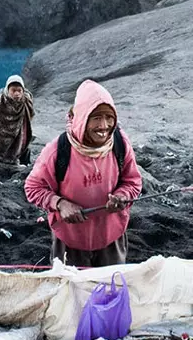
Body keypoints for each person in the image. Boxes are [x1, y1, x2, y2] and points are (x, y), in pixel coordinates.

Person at [24, 80, 142, 267]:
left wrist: (122, 196)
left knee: (111, 290)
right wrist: (60, 204)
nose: (104, 126)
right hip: (69, 243)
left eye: (109, 117)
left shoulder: (120, 143)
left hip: (111, 238)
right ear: (81, 117)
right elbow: (32, 187)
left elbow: (133, 181)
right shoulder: (58, 151)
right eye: (96, 117)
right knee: (73, 293)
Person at [0, 74, 34, 165]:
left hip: (20, 130)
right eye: (13, 90)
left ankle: (23, 159)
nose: (17, 93)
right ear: (8, 90)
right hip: (0, 135)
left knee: (22, 143)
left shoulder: (26, 101)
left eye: (19, 90)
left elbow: (30, 114)